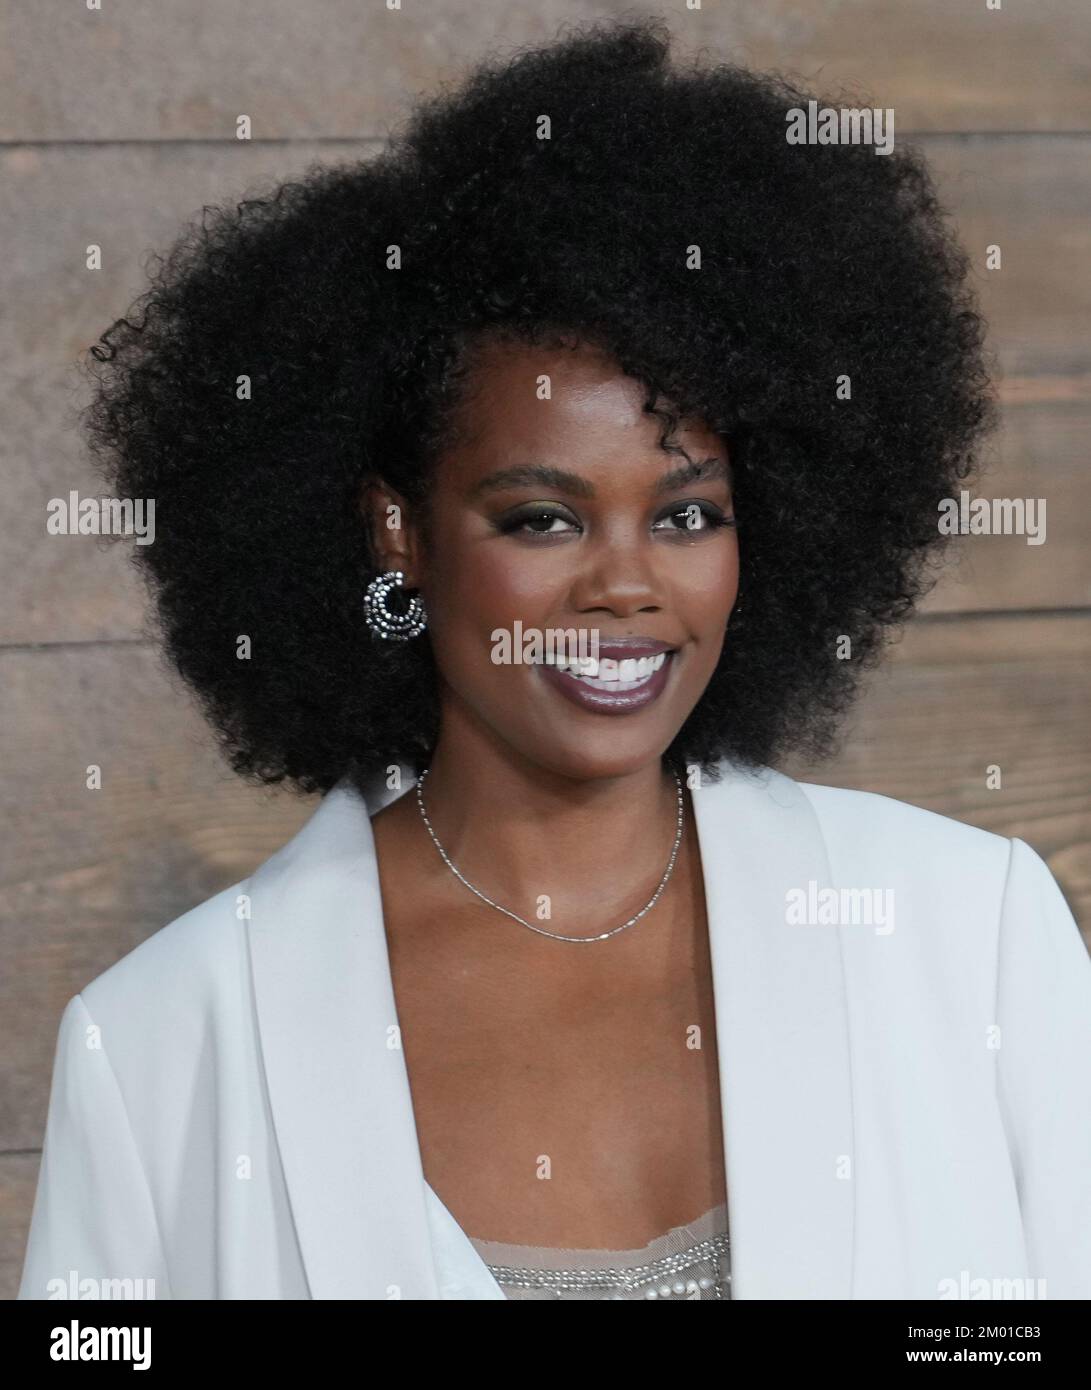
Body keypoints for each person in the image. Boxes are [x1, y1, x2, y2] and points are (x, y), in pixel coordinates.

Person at [19, 17, 1091, 1301]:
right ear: (396, 532)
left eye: (686, 512)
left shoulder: (968, 937)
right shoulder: (161, 1050)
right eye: (543, 517)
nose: (627, 584)